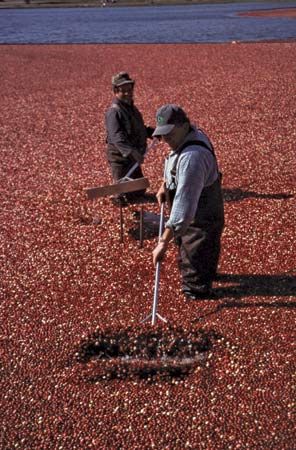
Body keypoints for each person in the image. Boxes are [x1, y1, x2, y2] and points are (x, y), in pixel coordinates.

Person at [152, 104, 224, 299]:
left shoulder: (192, 158)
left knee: (196, 261)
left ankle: (198, 291)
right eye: (162, 135)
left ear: (184, 125)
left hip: (201, 219)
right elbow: (172, 162)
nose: (166, 140)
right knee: (200, 255)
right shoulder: (188, 136)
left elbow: (182, 212)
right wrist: (164, 184)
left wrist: (162, 243)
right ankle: (205, 273)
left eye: (170, 134)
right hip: (197, 215)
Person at [105, 72, 154, 203]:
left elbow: (139, 128)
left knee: (139, 189)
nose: (128, 93)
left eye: (130, 90)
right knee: (121, 192)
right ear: (116, 91)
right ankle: (118, 202)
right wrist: (132, 152)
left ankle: (135, 197)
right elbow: (117, 137)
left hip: (133, 157)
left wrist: (153, 133)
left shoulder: (131, 108)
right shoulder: (114, 112)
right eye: (124, 91)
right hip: (121, 159)